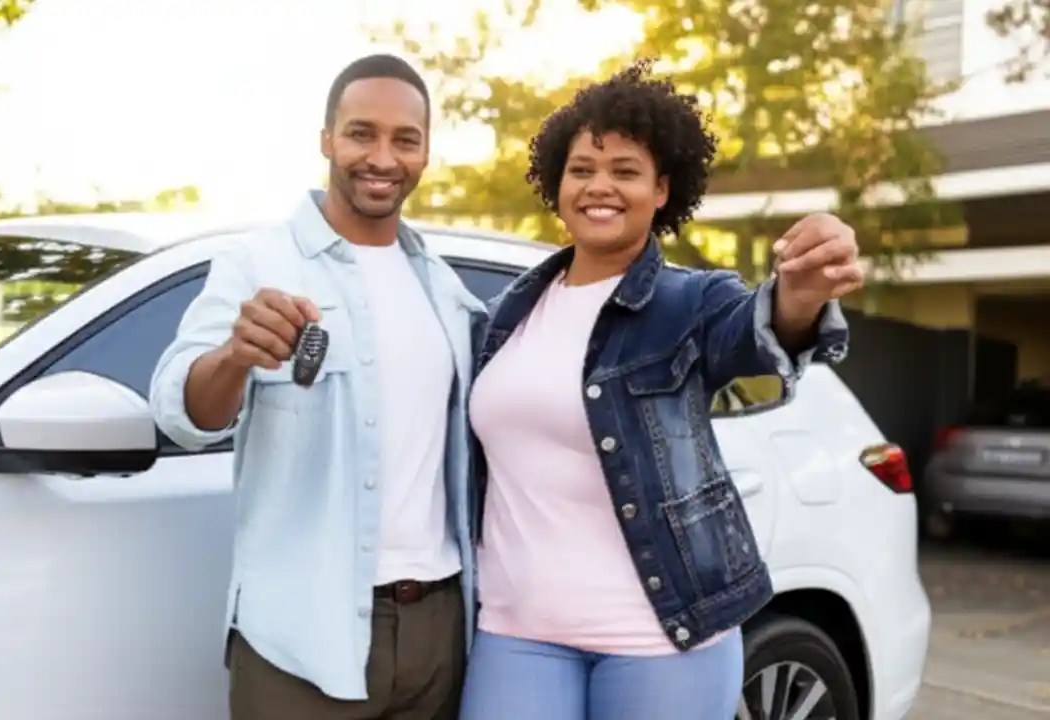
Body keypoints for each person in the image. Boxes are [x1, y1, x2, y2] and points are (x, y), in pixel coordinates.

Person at [458, 59, 862, 719]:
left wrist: (802, 293)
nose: (599, 187)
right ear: (557, 181)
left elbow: (757, 331)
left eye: (625, 171)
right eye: (582, 169)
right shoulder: (509, 312)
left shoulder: (691, 302)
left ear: (662, 189)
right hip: (517, 635)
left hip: (660, 640)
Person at [149, 54, 485, 720]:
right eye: (361, 133)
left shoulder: (445, 290)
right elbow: (183, 412)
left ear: (424, 154)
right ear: (327, 139)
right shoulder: (256, 263)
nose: (382, 157)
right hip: (300, 636)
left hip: (438, 629)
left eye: (405, 139)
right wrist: (235, 356)